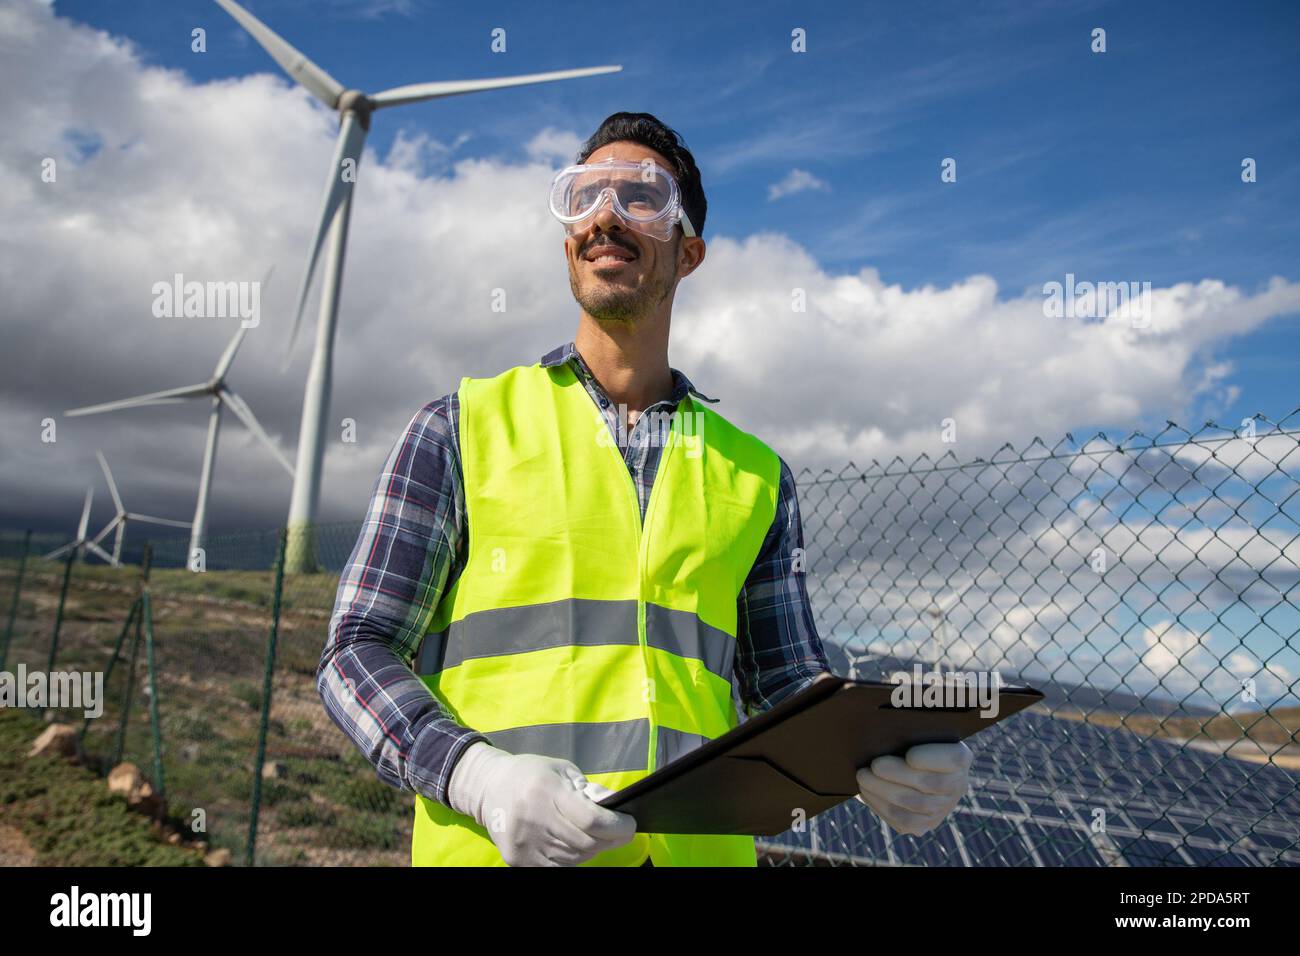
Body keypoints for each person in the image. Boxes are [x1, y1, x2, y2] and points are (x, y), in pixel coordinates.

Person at [318, 111, 973, 866]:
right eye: (584, 196)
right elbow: (355, 650)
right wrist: (477, 777)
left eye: (641, 197)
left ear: (688, 252)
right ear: (567, 240)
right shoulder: (459, 428)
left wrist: (877, 754)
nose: (605, 215)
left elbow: (786, 681)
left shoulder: (757, 475)